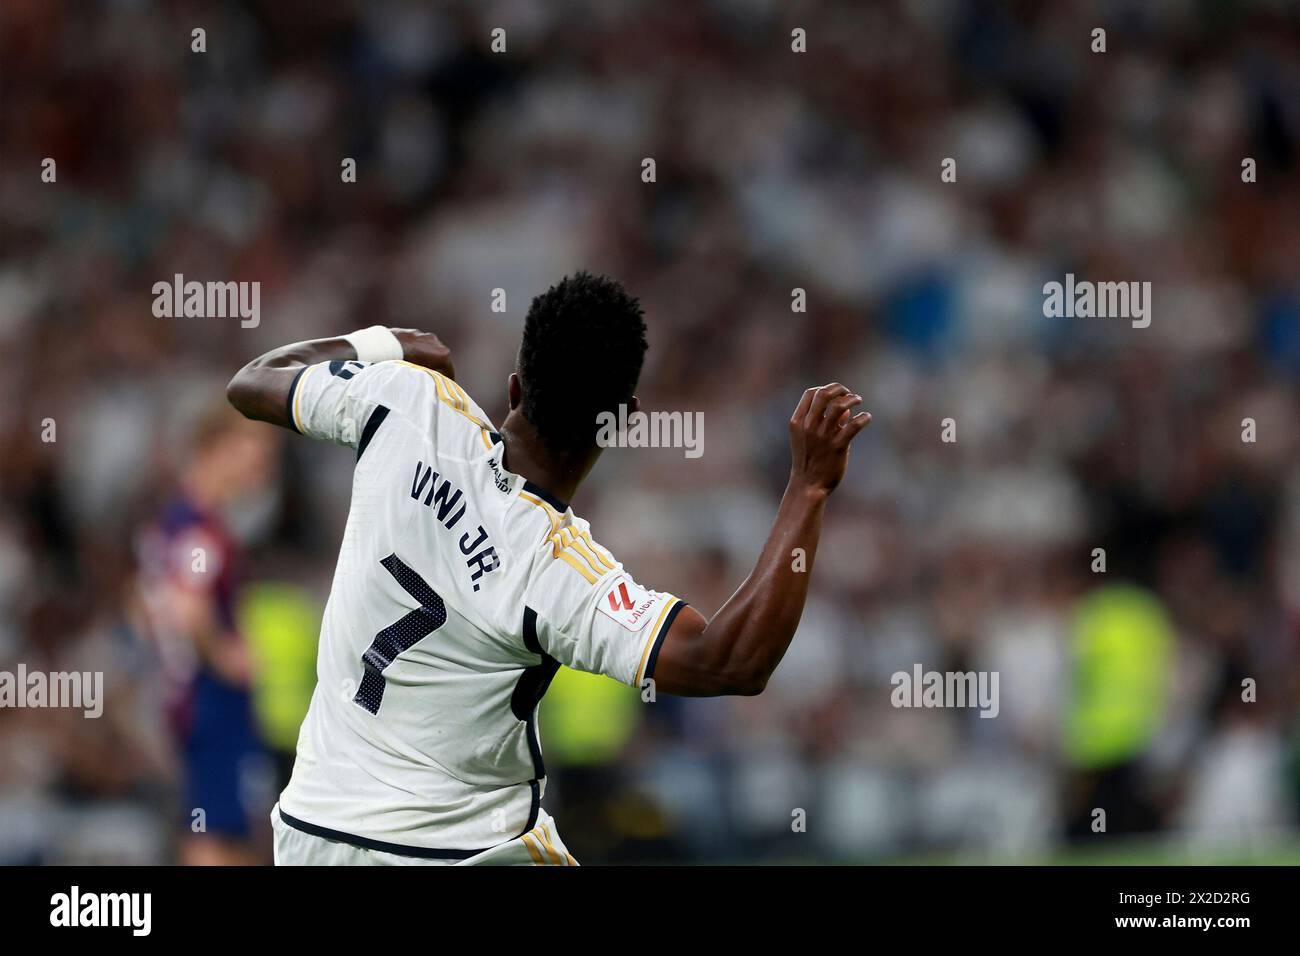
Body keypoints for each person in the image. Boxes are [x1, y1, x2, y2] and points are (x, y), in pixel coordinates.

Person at [226, 271, 871, 865]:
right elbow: (729, 660)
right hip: (450, 851)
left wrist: (382, 343)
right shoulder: (557, 570)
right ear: (619, 426)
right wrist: (808, 488)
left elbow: (254, 380)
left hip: (309, 831)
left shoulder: (406, 403)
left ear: (514, 386)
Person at [135, 403, 278, 865]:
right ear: (219, 448)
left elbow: (144, 605)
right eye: (254, 454)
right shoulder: (202, 529)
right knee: (213, 835)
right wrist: (227, 656)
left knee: (220, 827)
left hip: (187, 697)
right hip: (210, 701)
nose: (261, 470)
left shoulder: (176, 520)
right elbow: (188, 606)